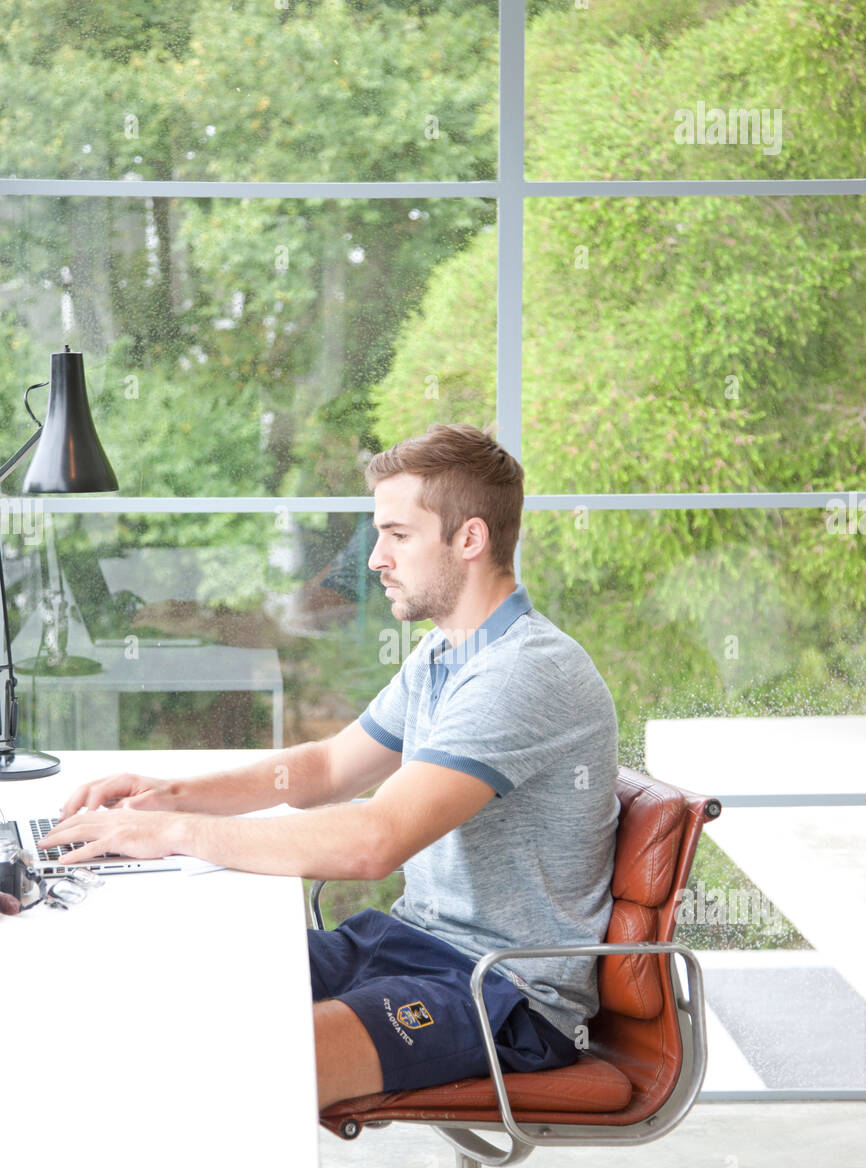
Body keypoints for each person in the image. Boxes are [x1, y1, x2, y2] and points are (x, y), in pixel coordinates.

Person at [38, 424, 620, 1109]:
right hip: (408, 942)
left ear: (469, 540)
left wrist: (177, 832)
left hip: (503, 990)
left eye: (398, 535)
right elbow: (325, 768)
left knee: (256, 1066)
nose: (375, 558)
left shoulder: (524, 671)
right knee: (165, 988)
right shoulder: (444, 655)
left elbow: (377, 839)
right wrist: (171, 797)